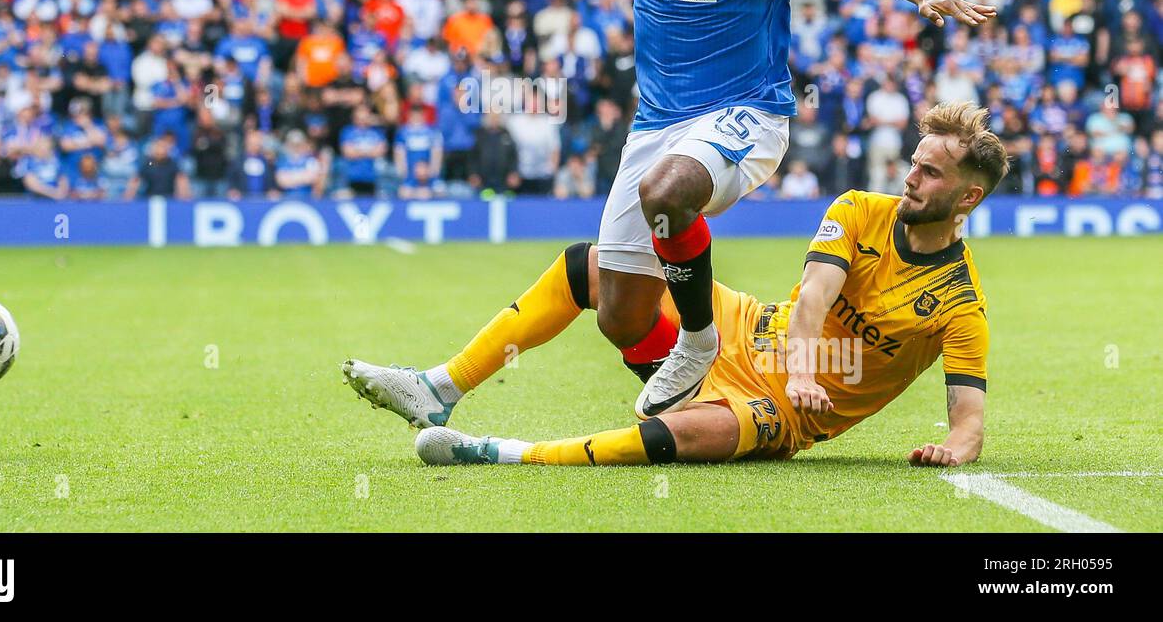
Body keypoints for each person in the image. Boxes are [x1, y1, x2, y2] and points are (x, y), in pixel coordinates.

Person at [447, 0, 995, 418]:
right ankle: (707, 405)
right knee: (620, 317)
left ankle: (700, 339)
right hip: (656, 123)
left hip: (747, 112)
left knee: (667, 190)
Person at [345, 102, 1004, 469]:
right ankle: (438, 390)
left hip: (780, 412)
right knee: (593, 267)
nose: (912, 179)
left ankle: (500, 454)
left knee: (685, 441)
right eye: (914, 164)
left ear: (968, 196)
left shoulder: (960, 307)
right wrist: (803, 365)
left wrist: (953, 447)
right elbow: (813, 299)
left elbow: (968, 422)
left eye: (932, 174)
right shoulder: (861, 208)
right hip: (737, 327)